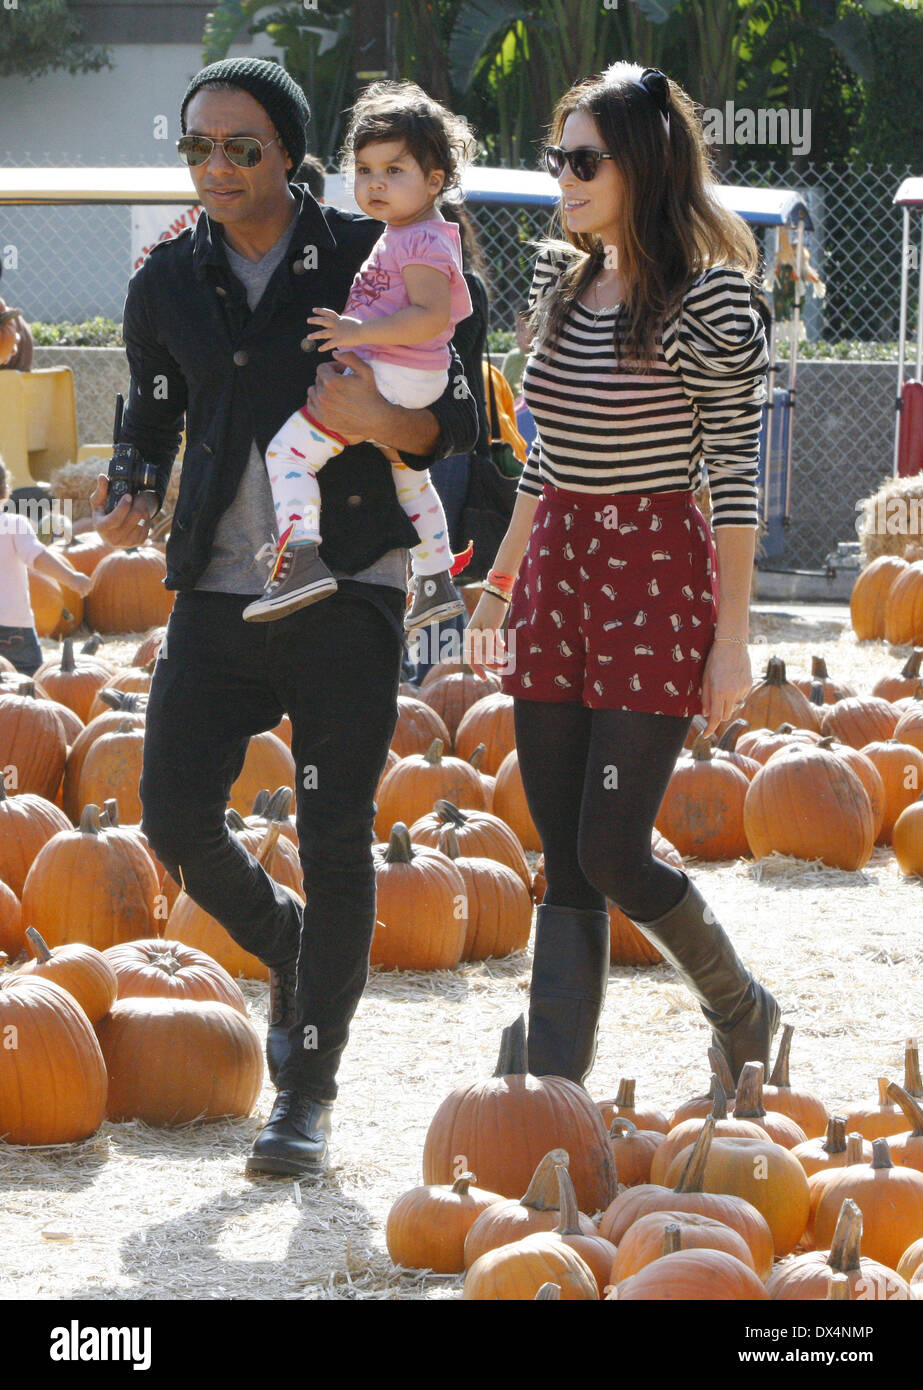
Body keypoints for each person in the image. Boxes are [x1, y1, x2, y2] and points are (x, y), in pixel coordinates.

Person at [89, 57, 477, 1177]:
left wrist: (379, 420)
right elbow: (152, 408)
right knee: (170, 810)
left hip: (346, 578)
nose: (216, 167)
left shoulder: (381, 248)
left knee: (335, 832)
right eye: (197, 148)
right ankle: (289, 944)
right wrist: (128, 485)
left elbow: (454, 418)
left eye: (241, 147)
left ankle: (304, 1087)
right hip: (219, 583)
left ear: (289, 155)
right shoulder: (166, 275)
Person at [465, 62, 779, 1090]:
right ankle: (554, 1076)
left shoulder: (710, 301)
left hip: (653, 572)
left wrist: (730, 638)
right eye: (557, 155)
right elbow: (544, 460)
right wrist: (500, 583)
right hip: (559, 571)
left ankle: (740, 1006)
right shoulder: (568, 286)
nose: (562, 173)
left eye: (583, 158)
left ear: (642, 166)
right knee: (559, 845)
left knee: (610, 847)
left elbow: (733, 477)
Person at [242, 80, 476, 629]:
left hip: (394, 377)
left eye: (394, 171)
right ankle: (436, 577)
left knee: (288, 455)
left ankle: (300, 557)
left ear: (435, 180)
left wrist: (354, 331)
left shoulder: (422, 239)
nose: (376, 184)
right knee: (410, 477)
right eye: (366, 171)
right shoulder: (406, 233)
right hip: (408, 380)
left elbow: (431, 315)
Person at [407, 202, 491, 683]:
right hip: (423, 436)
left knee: (438, 557)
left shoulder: (464, 289)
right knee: (431, 556)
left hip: (449, 444)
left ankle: (438, 670)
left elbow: (434, 351)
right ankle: (439, 666)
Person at [0, 460, 91, 672]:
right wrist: (71, 577)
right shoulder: (14, 524)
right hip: (14, 628)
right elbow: (37, 556)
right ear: (5, 490)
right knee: (27, 692)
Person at [500, 305, 532, 396]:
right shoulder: (513, 359)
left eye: (521, 329)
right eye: (516, 328)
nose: (515, 336)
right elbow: (503, 396)